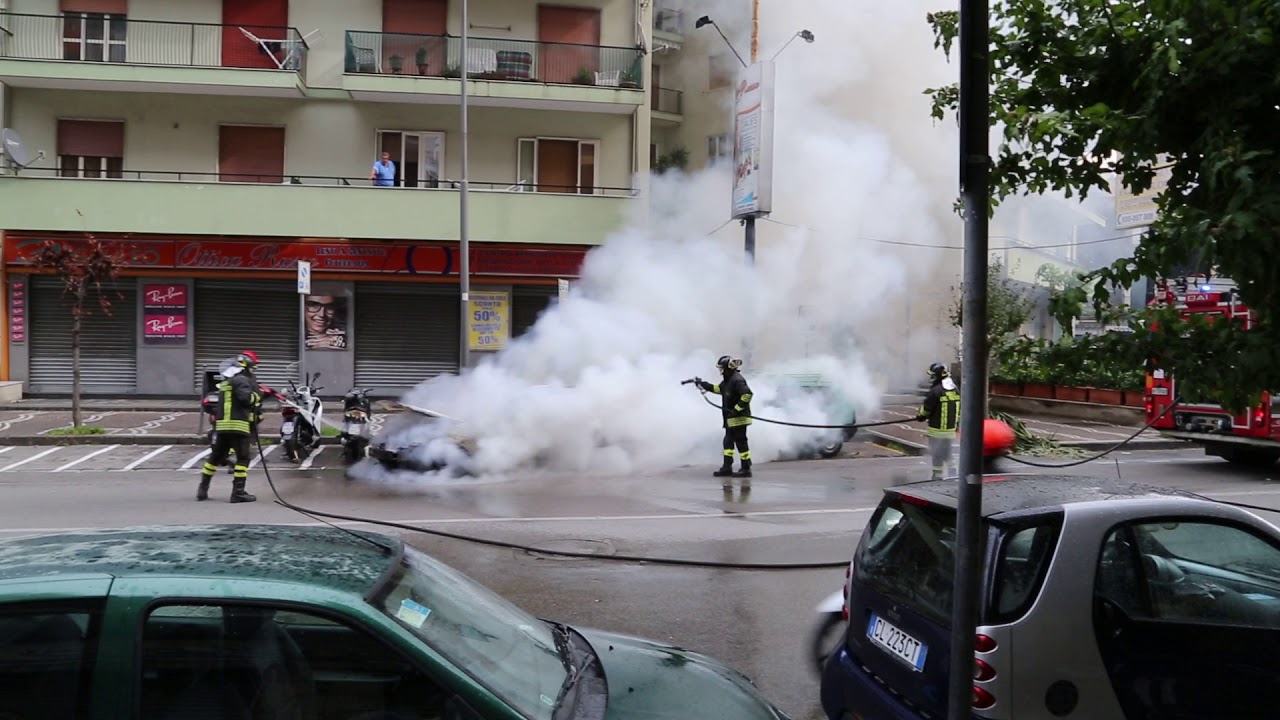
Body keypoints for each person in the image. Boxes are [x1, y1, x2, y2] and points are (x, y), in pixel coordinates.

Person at [197, 351, 265, 503]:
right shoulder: (241, 381)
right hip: (238, 426)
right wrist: (258, 396)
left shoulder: (227, 382)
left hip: (222, 427)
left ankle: (202, 489)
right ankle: (238, 493)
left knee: (214, 457)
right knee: (243, 459)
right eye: (252, 367)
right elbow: (246, 399)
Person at [696, 355, 754, 488]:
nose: (720, 371)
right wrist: (703, 384)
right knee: (728, 442)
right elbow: (719, 389)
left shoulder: (737, 380)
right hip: (730, 419)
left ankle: (746, 469)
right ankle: (727, 467)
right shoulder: (728, 380)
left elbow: (747, 395)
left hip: (739, 418)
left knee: (741, 443)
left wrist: (737, 409)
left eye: (721, 368)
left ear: (727, 368)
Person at [916, 362, 960, 480]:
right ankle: (953, 472)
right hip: (951, 431)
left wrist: (920, 416)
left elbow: (926, 409)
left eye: (933, 376)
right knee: (947, 452)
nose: (931, 378)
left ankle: (937, 476)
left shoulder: (935, 391)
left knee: (937, 455)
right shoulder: (955, 389)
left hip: (937, 431)